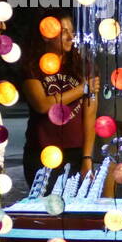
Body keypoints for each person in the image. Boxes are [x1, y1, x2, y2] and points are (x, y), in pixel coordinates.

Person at [20, 11, 98, 188]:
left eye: (72, 31)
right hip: (41, 153)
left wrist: (87, 157)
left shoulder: (83, 67)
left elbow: (90, 114)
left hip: (76, 153)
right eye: (63, 32)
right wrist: (83, 88)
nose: (70, 37)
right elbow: (42, 105)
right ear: (46, 35)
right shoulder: (33, 67)